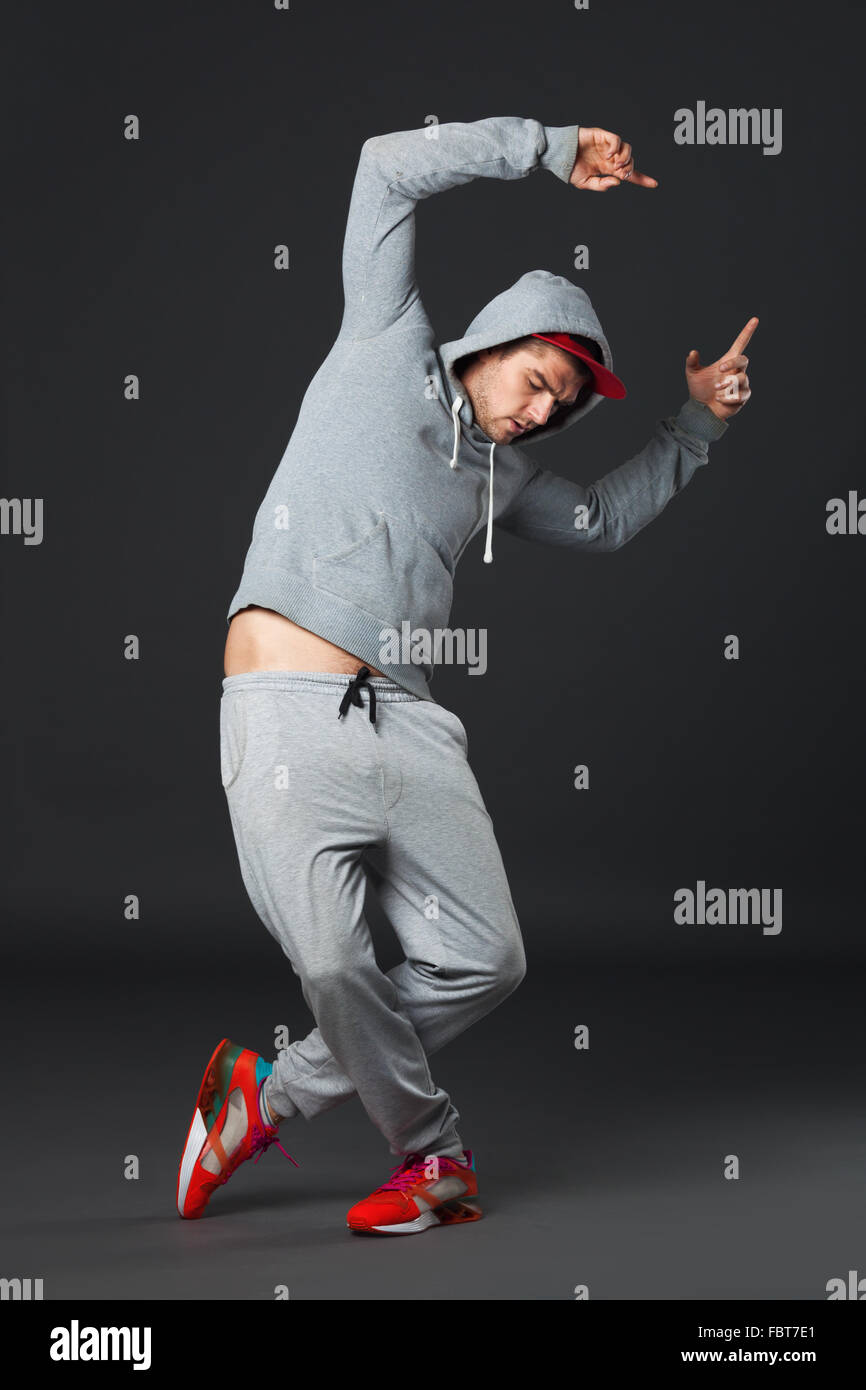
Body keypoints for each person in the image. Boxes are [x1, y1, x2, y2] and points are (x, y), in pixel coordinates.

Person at [176, 116, 756, 1235]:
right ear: (491, 343)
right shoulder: (382, 338)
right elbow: (382, 168)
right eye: (535, 379)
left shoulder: (508, 476)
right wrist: (545, 149)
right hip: (288, 717)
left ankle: (265, 1093)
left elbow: (600, 518)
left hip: (411, 729)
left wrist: (695, 424)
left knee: (486, 957)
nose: (539, 411)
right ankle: (431, 1158)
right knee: (336, 965)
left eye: (559, 406)